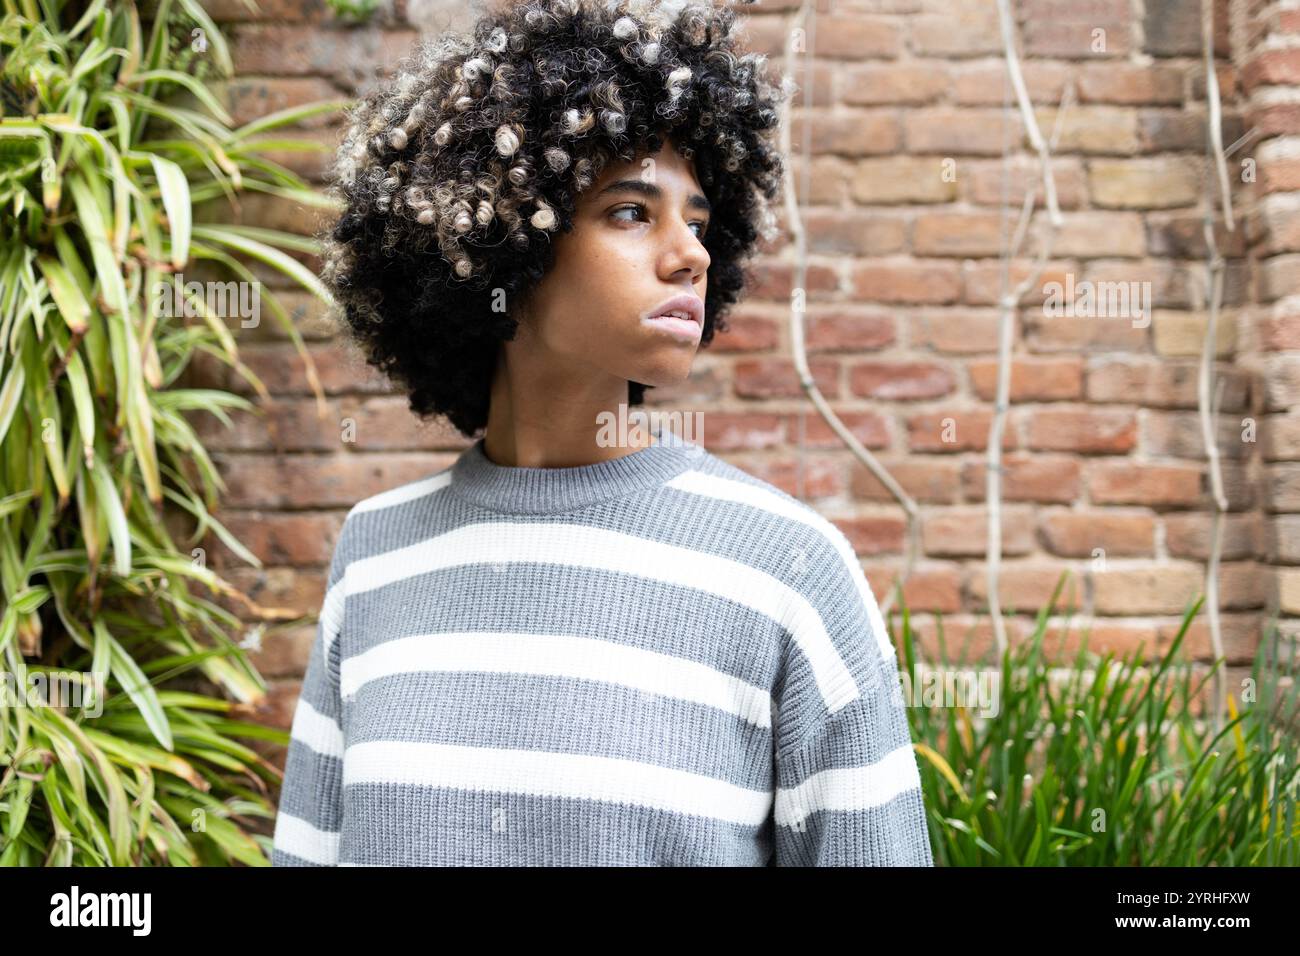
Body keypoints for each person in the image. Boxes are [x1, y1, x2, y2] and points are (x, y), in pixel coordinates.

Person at [271, 0, 934, 866]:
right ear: (503, 238)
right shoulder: (376, 559)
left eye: (698, 222)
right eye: (631, 213)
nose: (688, 253)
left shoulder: (789, 570)